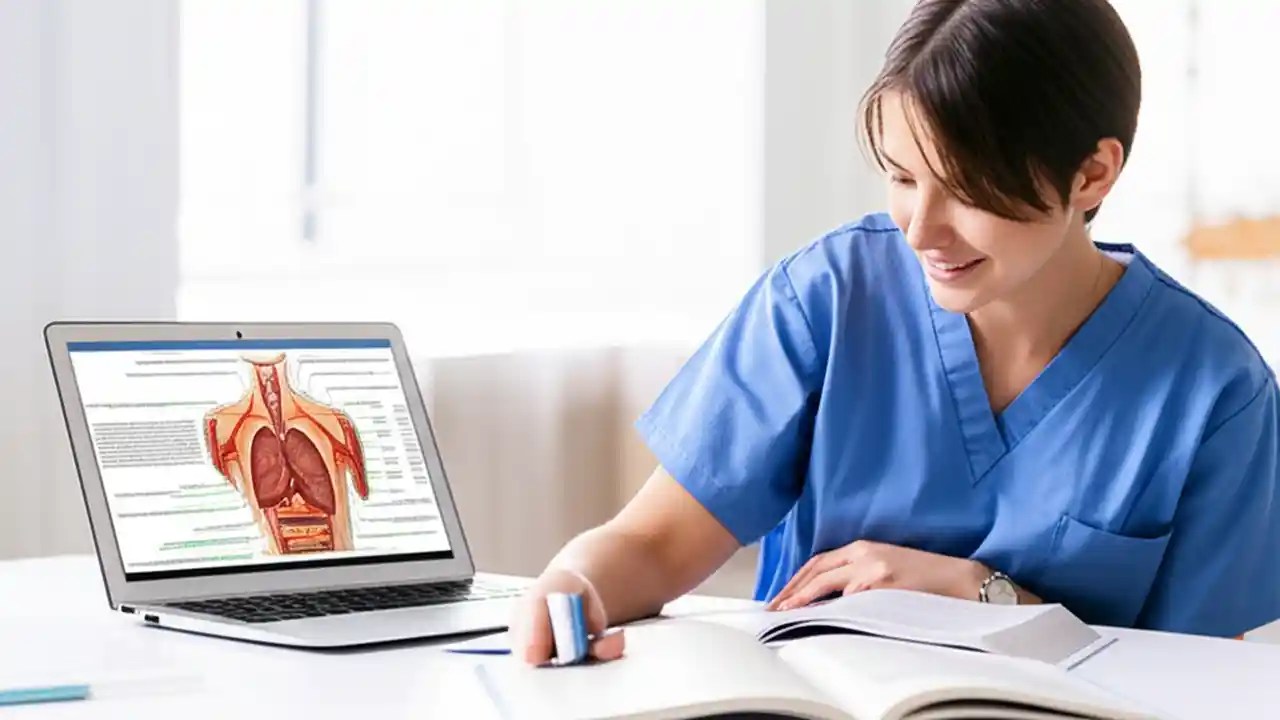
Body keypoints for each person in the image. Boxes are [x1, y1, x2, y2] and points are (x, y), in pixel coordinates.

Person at [512, 0, 1280, 665]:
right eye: (903, 177)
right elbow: (651, 544)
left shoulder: (1216, 390)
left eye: (969, 191)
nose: (921, 231)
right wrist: (575, 584)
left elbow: (1198, 678)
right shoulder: (828, 300)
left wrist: (983, 595)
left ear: (1092, 176)